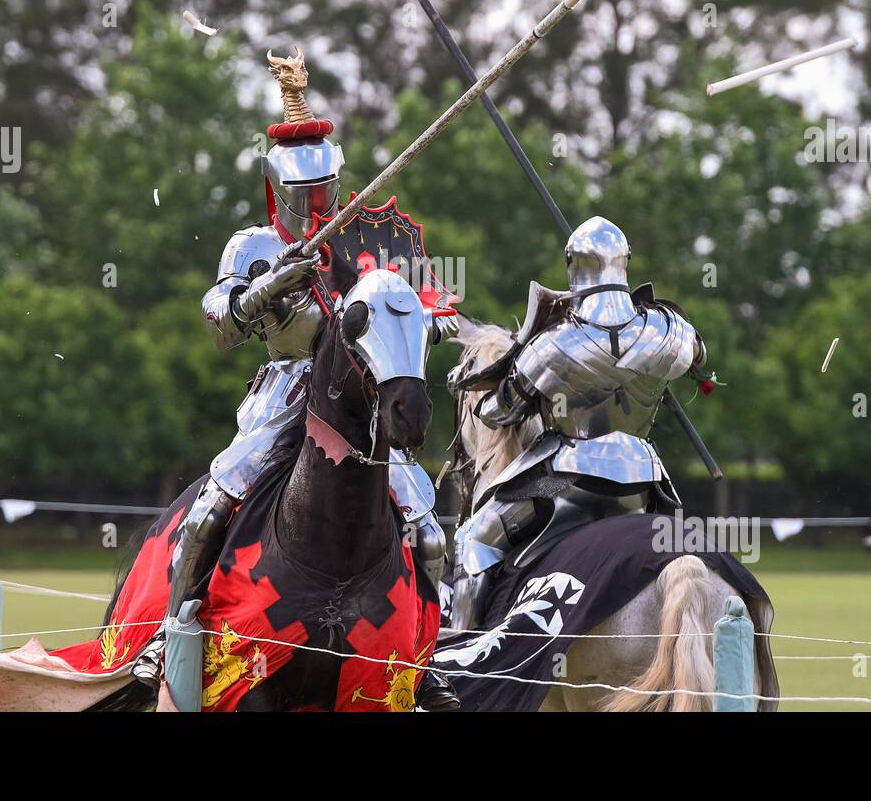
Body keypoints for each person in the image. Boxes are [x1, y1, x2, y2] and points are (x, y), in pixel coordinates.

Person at [139, 46, 459, 709]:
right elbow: (218, 322)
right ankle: (169, 641)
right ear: (278, 188)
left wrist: (429, 322)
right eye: (307, 192)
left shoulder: (363, 243)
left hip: (357, 399)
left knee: (426, 522)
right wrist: (265, 291)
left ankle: (432, 660)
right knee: (212, 504)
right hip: (285, 395)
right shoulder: (252, 245)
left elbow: (402, 306)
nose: (320, 201)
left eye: (327, 189)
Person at [445, 216, 707, 629]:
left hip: (565, 480)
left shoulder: (554, 345)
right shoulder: (667, 332)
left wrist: (469, 378)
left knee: (473, 541)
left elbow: (500, 412)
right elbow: (698, 356)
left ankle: (460, 654)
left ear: (572, 265)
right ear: (624, 263)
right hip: (644, 482)